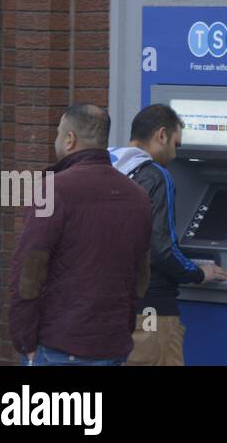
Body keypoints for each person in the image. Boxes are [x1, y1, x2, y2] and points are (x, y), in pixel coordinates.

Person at [9, 104, 152, 366]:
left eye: (57, 134)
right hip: (113, 344)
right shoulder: (138, 195)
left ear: (70, 139)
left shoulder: (53, 189)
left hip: (58, 346)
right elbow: (141, 275)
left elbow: (28, 271)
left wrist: (24, 342)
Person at [109, 103, 227, 365]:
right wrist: (198, 272)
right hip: (152, 309)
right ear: (161, 135)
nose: (175, 155)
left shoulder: (110, 168)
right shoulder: (155, 175)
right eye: (176, 144)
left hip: (110, 309)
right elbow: (161, 248)